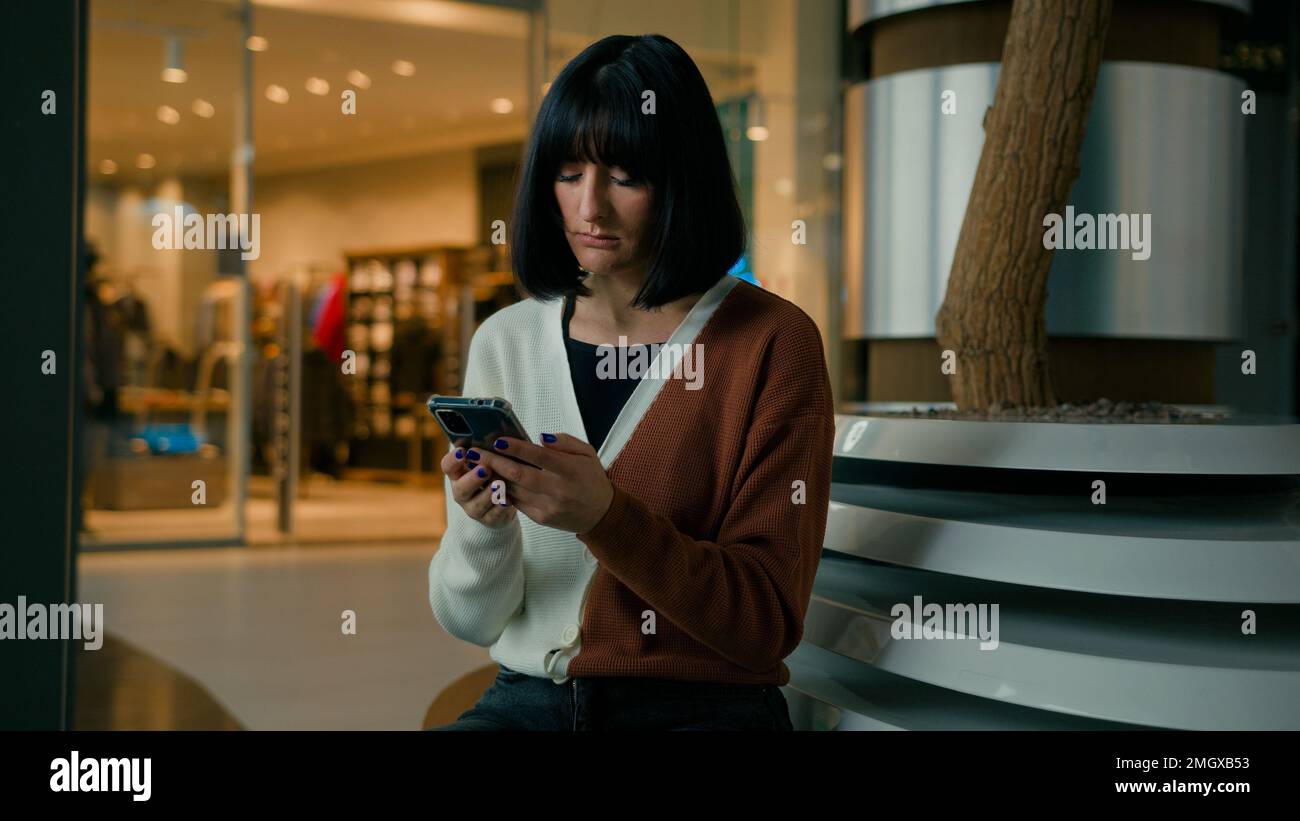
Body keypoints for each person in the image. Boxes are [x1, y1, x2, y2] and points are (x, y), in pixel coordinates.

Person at [427, 33, 834, 731]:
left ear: (682, 179)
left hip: (702, 707)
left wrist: (605, 517)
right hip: (531, 699)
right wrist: (483, 527)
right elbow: (471, 619)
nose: (591, 208)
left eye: (625, 176)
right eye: (568, 172)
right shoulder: (508, 341)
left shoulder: (772, 344)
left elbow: (764, 624)